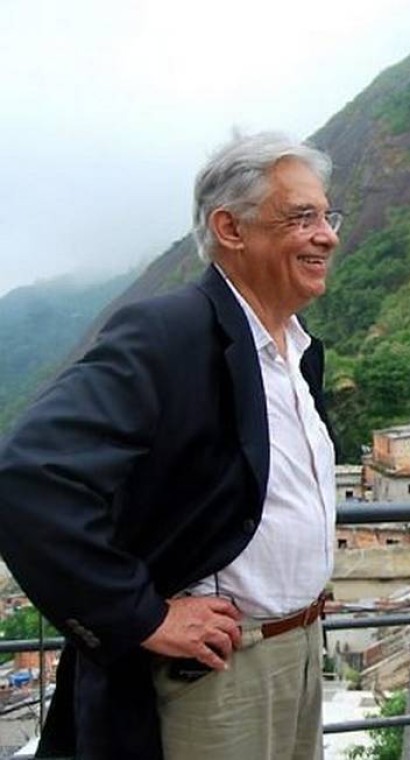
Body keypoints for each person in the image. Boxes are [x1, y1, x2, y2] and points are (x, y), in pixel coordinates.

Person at [0, 132, 342, 759]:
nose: (327, 235)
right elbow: (26, 474)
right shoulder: (170, 333)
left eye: (326, 215)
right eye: (302, 218)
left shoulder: (297, 351)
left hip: (299, 650)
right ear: (230, 229)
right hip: (221, 672)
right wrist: (142, 616)